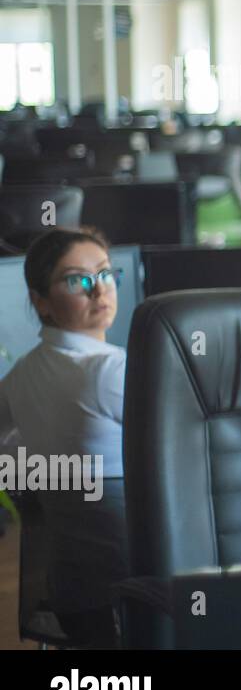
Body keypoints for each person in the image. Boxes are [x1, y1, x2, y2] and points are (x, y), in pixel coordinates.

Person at [0, 227, 128, 647]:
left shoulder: (18, 378)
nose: (99, 291)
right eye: (77, 280)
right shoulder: (111, 372)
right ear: (41, 302)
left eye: (106, 274)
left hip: (74, 601)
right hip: (139, 592)